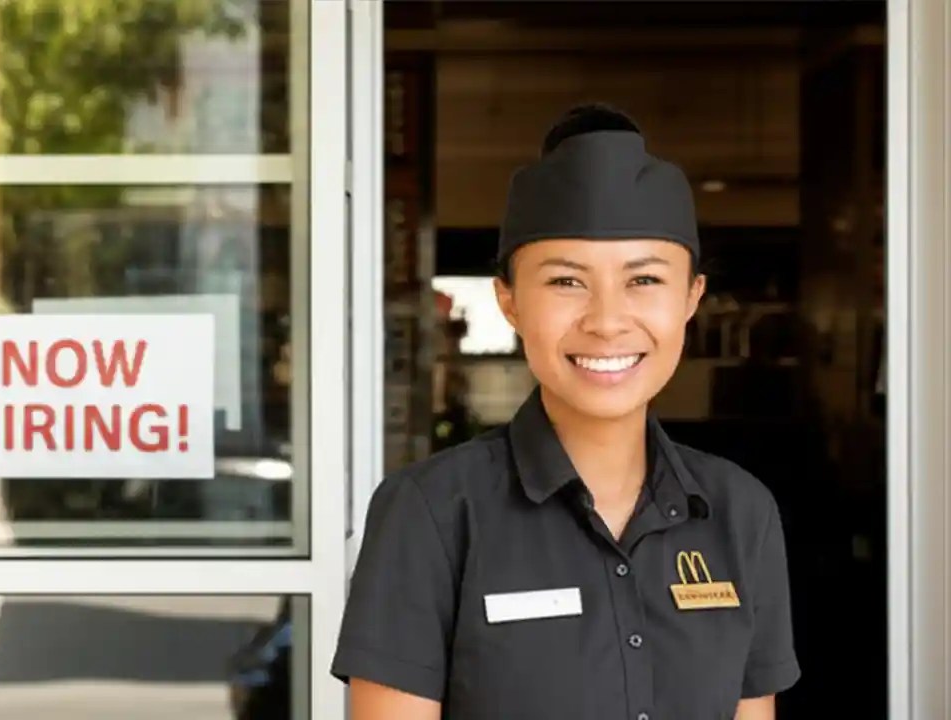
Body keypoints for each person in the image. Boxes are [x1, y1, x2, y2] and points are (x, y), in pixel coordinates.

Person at [331, 104, 800, 720]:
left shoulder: (741, 513)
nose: (606, 321)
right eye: (566, 282)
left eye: (644, 281)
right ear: (509, 301)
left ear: (692, 298)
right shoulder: (431, 514)